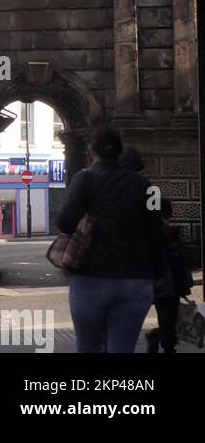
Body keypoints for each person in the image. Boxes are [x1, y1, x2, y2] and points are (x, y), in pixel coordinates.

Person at [56, 127, 164, 353]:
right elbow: (156, 231)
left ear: (92, 151)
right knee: (122, 349)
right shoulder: (147, 187)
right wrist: (158, 274)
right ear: (119, 151)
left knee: (89, 348)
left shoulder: (84, 179)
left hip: (90, 279)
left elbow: (64, 222)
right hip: (136, 280)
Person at [145, 199, 193, 353]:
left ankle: (158, 337)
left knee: (168, 322)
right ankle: (160, 339)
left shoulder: (149, 232)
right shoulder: (168, 233)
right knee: (169, 322)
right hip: (168, 285)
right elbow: (180, 261)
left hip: (158, 284)